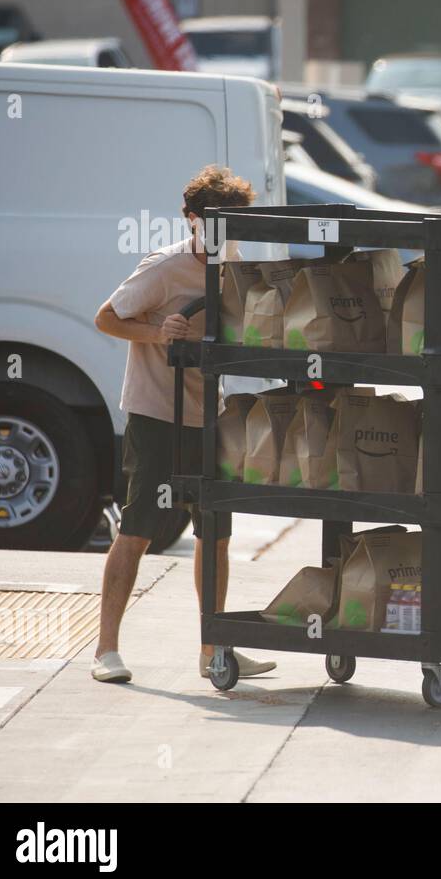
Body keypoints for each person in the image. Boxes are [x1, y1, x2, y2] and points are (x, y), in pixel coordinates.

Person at [90, 165, 275, 683]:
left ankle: (212, 648)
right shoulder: (165, 267)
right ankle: (105, 650)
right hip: (155, 411)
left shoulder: (232, 261)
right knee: (139, 529)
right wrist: (157, 331)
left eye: (233, 223)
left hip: (206, 413)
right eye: (215, 221)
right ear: (191, 219)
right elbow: (106, 317)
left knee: (214, 535)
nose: (225, 233)